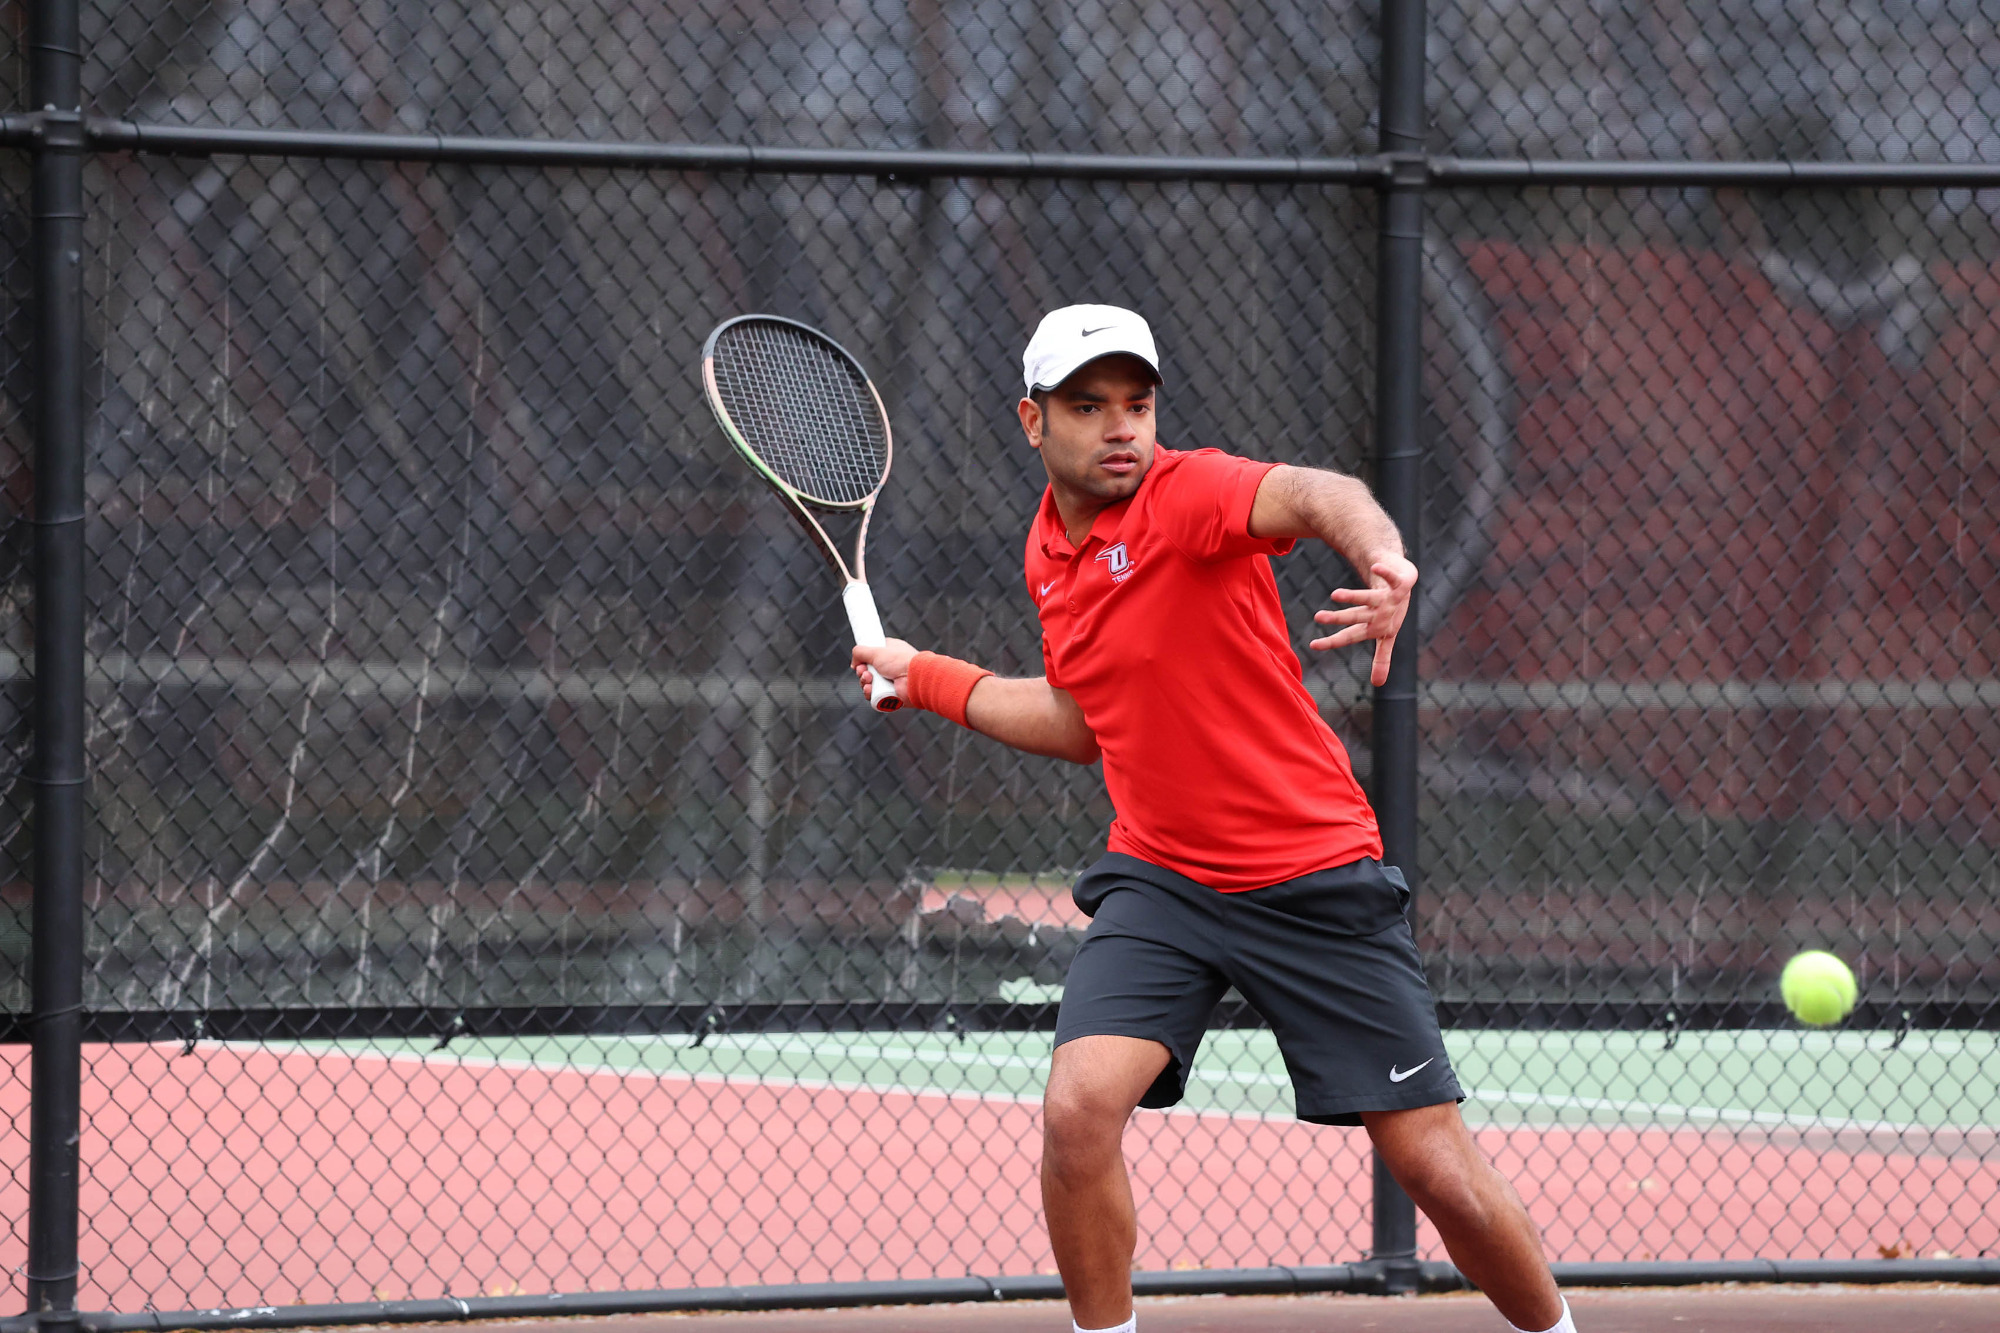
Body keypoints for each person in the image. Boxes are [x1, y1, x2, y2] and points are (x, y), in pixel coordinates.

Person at [852, 304, 1574, 1333]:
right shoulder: (1047, 553)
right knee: (1077, 1110)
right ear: (1031, 420)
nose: (1120, 427)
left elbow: (1315, 492)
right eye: (1088, 405)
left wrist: (1383, 557)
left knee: (1435, 1169)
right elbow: (1083, 721)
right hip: (1163, 880)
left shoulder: (1190, 494)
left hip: (1311, 871)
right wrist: (924, 675)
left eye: (1137, 404)